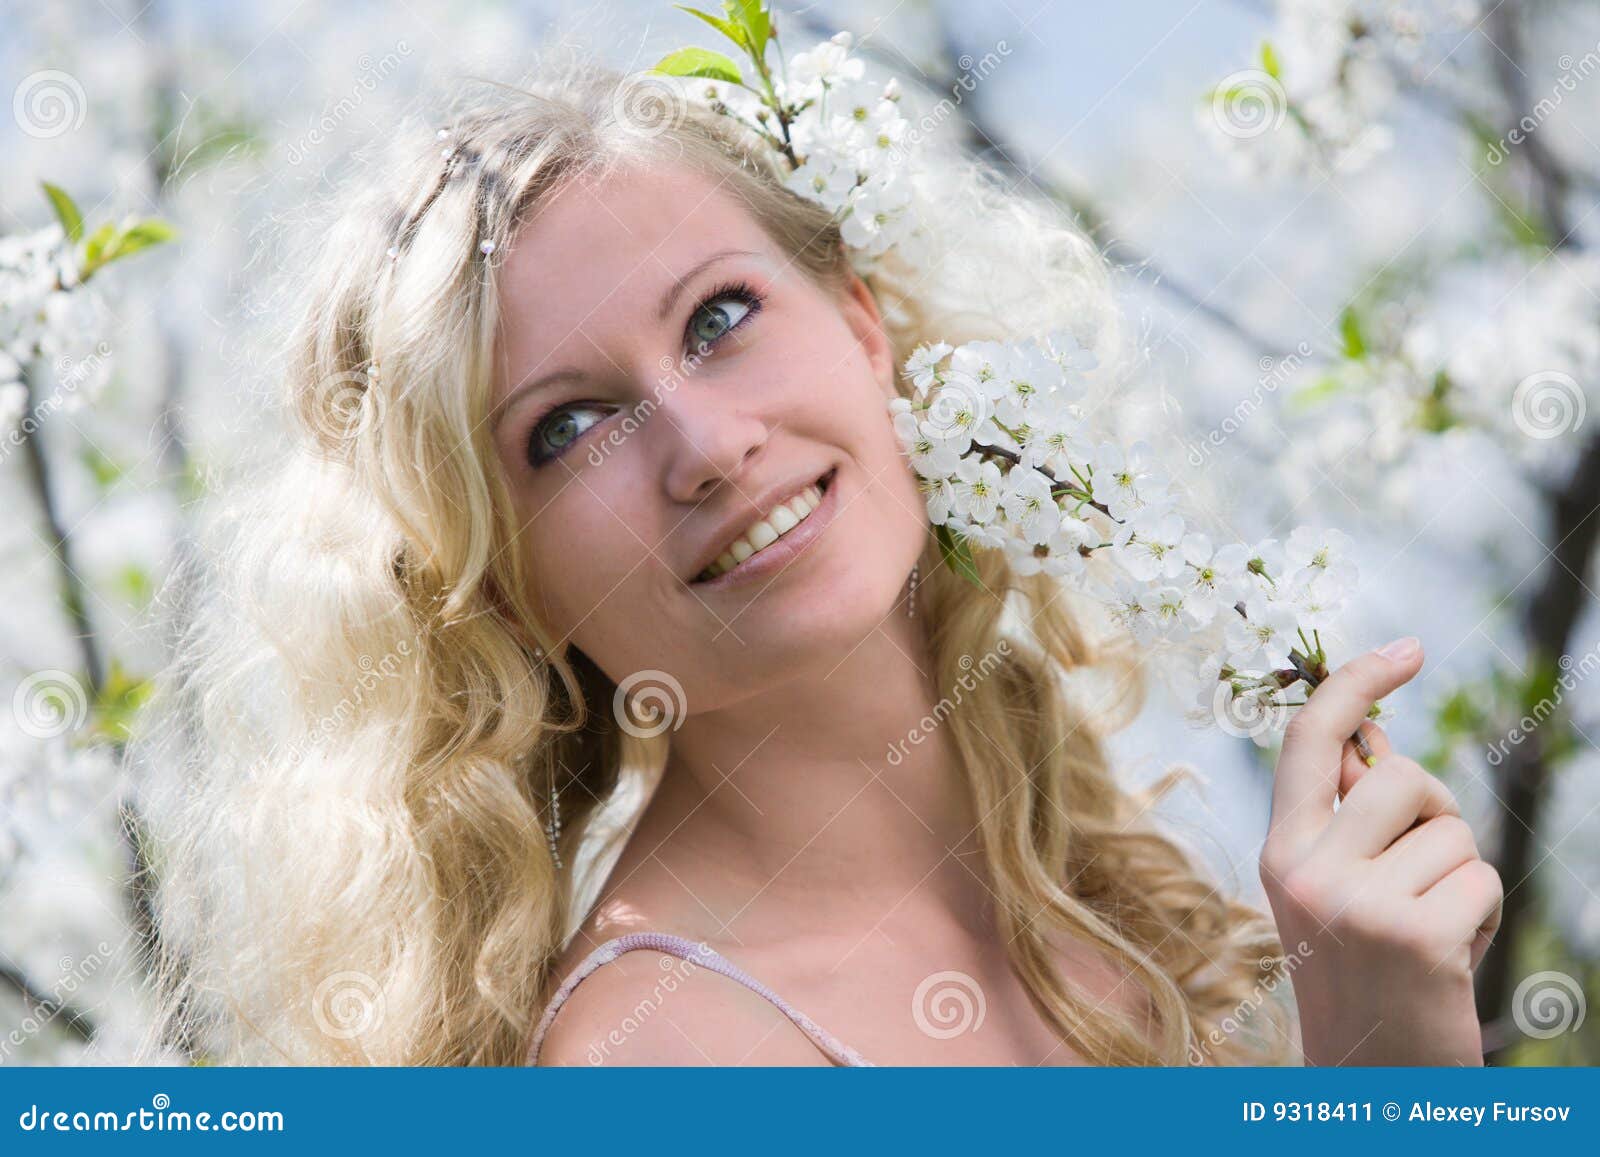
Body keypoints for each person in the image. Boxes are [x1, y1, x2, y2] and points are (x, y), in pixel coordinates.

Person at [129, 46, 1501, 1068]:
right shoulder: (666, 1058)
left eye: (719, 315)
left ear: (861, 322)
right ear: (500, 588)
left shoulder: (1104, 846)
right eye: (570, 428)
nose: (708, 445)